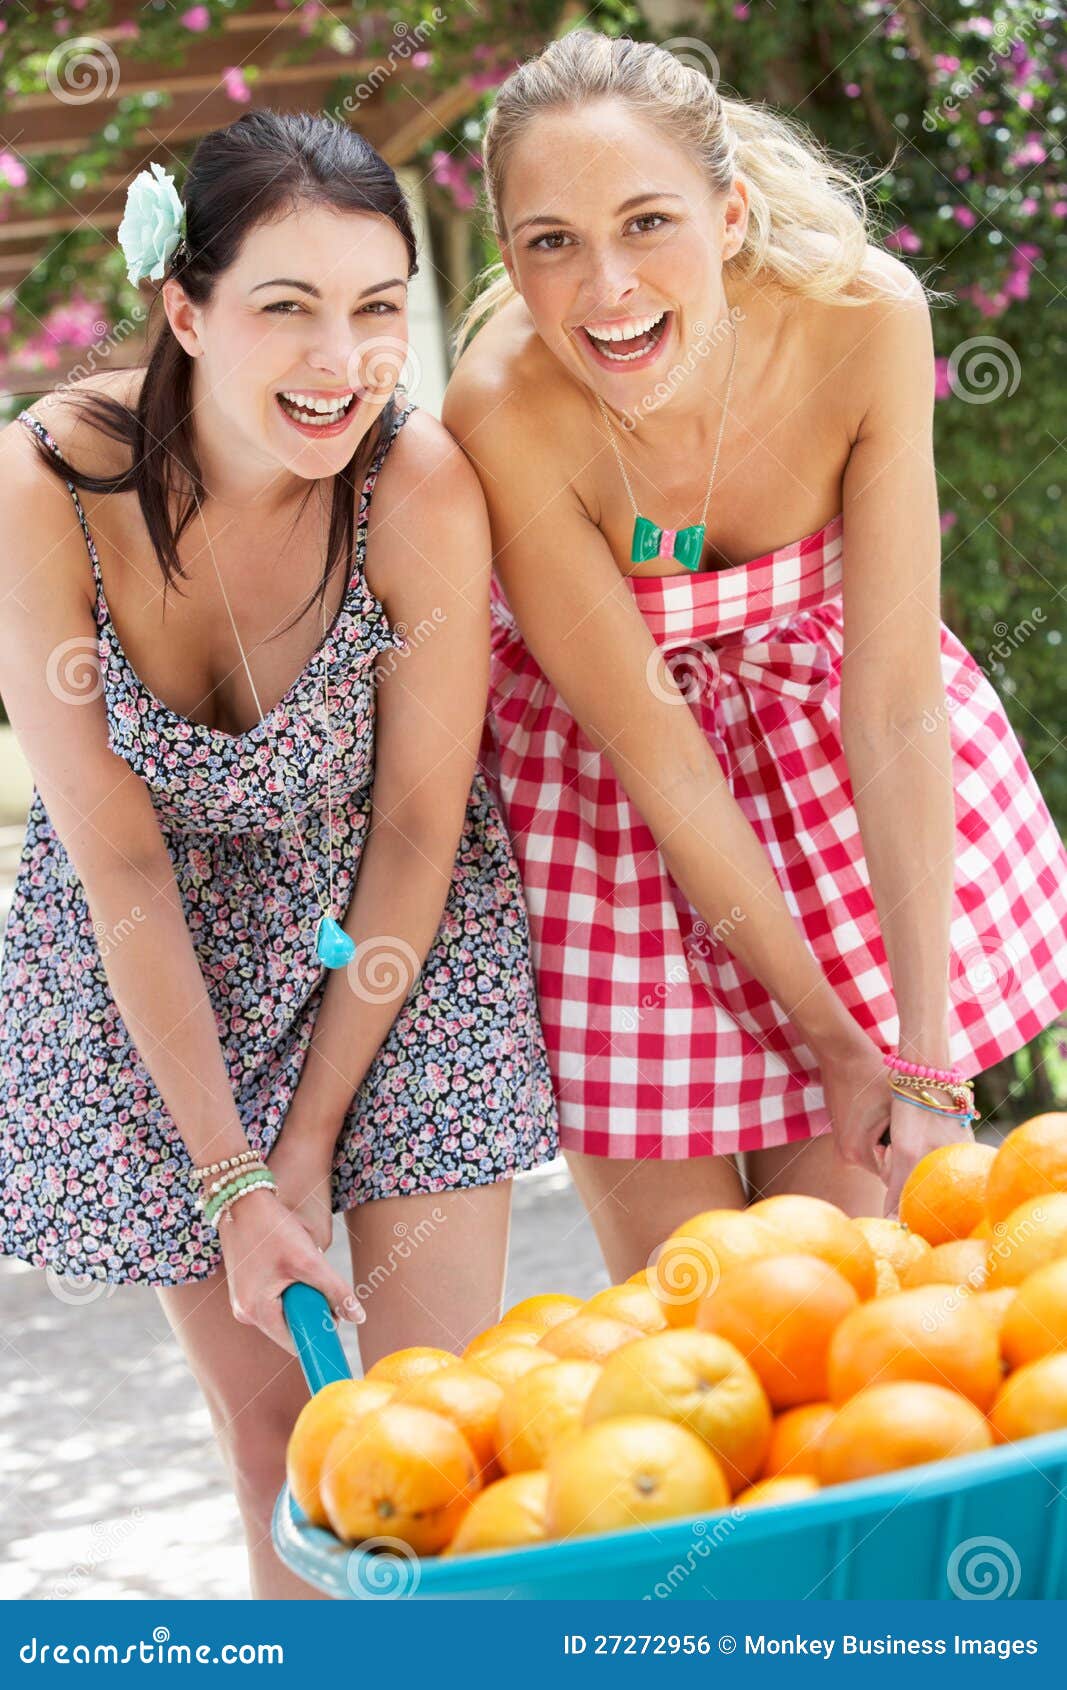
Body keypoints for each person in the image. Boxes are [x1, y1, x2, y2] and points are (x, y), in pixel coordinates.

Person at [0, 109, 557, 1598]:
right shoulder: (42, 485)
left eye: (377, 308)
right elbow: (116, 861)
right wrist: (235, 1173)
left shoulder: (415, 484)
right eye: (286, 309)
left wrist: (306, 1138)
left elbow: (419, 822)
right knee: (286, 1454)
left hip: (386, 933)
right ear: (185, 310)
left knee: (433, 1440)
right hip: (156, 960)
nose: (342, 361)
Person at [442, 30, 1067, 1280]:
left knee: (840, 1287)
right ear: (510, 258)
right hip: (612, 838)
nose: (606, 286)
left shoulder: (861, 318)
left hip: (836, 793)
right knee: (693, 1306)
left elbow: (889, 702)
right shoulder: (499, 404)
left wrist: (910, 1048)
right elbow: (660, 761)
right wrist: (832, 1040)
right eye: (550, 242)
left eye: (646, 223)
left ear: (726, 215)